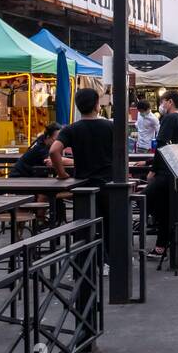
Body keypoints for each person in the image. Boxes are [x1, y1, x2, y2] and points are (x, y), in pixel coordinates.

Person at [50, 89, 113, 243]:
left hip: (83, 186)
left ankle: (86, 262)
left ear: (78, 106)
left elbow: (53, 151)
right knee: (110, 226)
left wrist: (62, 173)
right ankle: (109, 262)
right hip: (108, 185)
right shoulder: (111, 126)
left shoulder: (71, 129)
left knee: (85, 229)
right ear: (97, 105)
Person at [145, 90, 178, 258]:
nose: (162, 105)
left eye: (163, 101)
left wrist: (153, 169)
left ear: (170, 102)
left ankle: (162, 242)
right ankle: (163, 245)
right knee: (164, 209)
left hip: (166, 172)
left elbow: (161, 145)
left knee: (145, 201)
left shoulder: (170, 118)